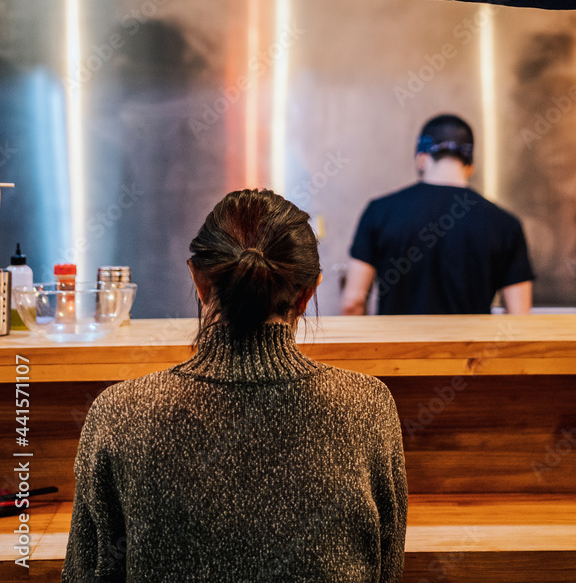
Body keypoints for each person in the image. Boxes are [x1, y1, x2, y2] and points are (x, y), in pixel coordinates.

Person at [61, 189, 408, 583]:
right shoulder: (368, 406)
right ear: (309, 291)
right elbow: (386, 567)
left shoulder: (119, 413)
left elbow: (87, 575)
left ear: (199, 280)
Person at [341, 115, 535, 316]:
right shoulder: (505, 224)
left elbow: (352, 302)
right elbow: (519, 316)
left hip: (398, 347)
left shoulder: (378, 211)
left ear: (422, 159)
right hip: (473, 347)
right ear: (470, 166)